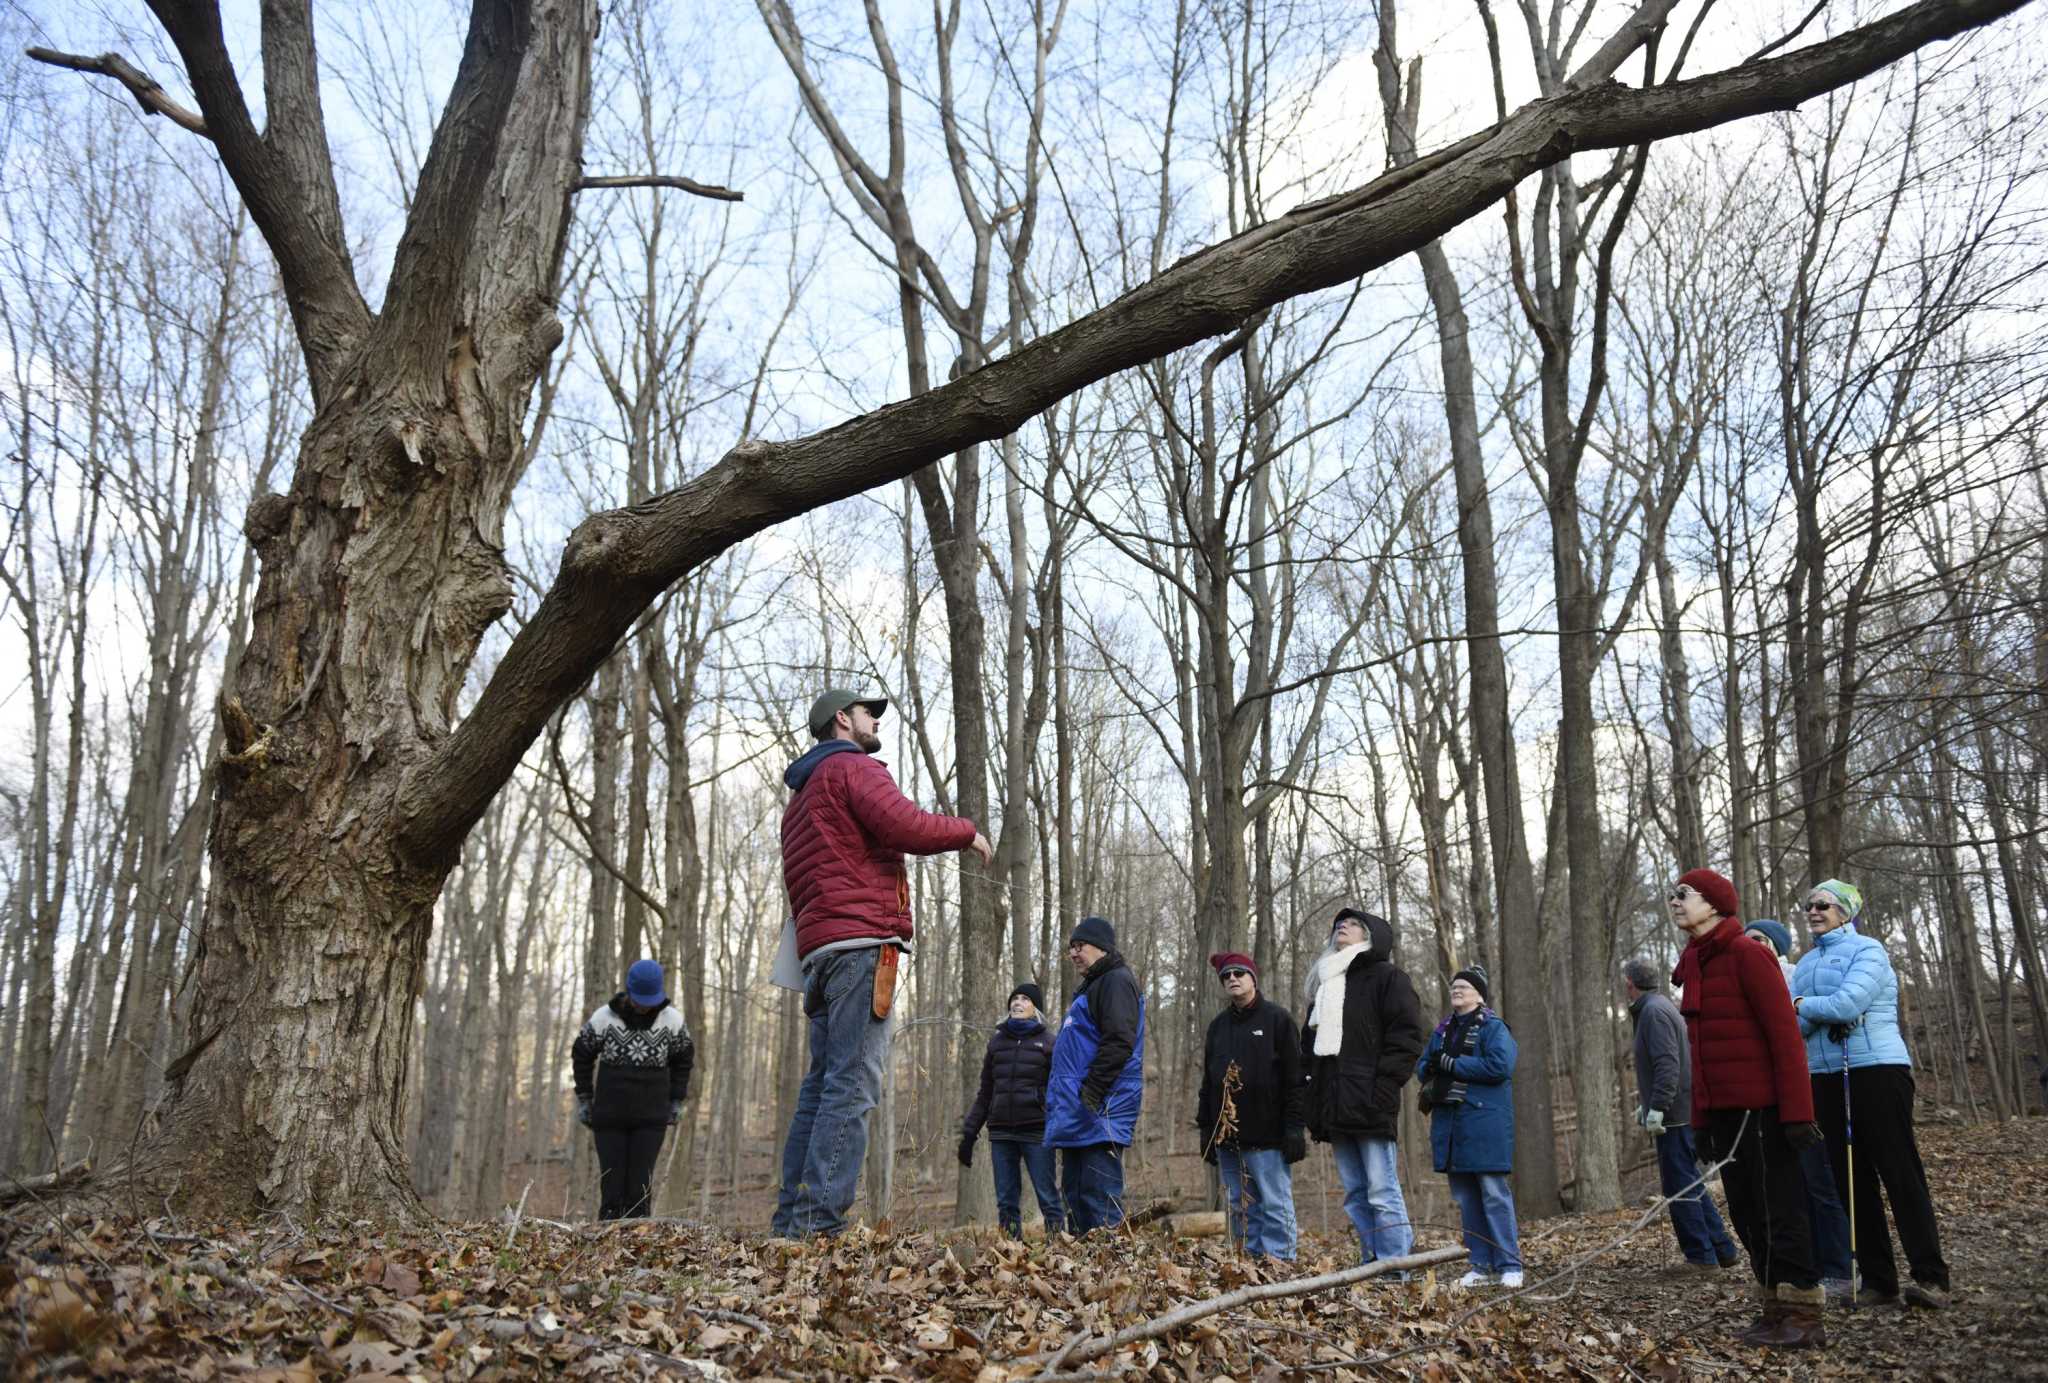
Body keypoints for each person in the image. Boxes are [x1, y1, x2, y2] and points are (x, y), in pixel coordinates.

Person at [774, 688, 993, 1238]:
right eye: (870, 713)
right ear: (843, 721)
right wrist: (966, 832)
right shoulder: (852, 768)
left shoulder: (800, 799)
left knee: (822, 1085)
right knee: (853, 1084)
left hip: (820, 954)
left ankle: (792, 1221)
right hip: (860, 947)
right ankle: (819, 1225)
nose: (876, 723)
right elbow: (906, 826)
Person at [1669, 868, 1827, 1350]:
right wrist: (1700, 1121)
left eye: (1684, 895)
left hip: (1764, 1112)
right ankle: (1773, 1308)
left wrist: (1798, 1113)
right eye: (1672, 895)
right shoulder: (1695, 962)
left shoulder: (1747, 954)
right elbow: (1700, 1052)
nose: (1675, 902)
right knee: (1746, 1213)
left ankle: (1804, 1313)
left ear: (1714, 904)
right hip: (1724, 1116)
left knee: (1781, 1211)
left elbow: (1786, 1039)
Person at [1791, 879, 1952, 1310]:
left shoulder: (1869, 951)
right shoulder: (1803, 963)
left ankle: (1931, 1277)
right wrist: (1813, 1008)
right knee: (1851, 1181)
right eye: (1809, 905)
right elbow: (1798, 1027)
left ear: (1845, 911)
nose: (1814, 911)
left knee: (1899, 1172)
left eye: (1823, 905)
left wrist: (1807, 1005)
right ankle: (1880, 1281)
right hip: (1824, 1075)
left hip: (1878, 1070)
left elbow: (1846, 1005)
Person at [1301, 908, 1424, 1269]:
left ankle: (1396, 1266)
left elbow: (1408, 1038)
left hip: (1371, 1101)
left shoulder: (1388, 978)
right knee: (1355, 1194)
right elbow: (1308, 1052)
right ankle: (1372, 1263)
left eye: (1354, 924)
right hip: (1335, 1105)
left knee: (1382, 1191)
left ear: (1372, 936)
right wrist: (1312, 1101)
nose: (1344, 926)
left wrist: (1385, 1088)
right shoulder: (1325, 986)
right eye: (1340, 924)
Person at [1745, 918, 1856, 1301]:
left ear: (1776, 945)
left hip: (1807, 1087)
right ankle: (1809, 1266)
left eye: (1760, 939)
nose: (1754, 945)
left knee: (1820, 1182)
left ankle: (1841, 1267)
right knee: (1794, 1186)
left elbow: (1801, 1023)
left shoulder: (1795, 978)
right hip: (1771, 1096)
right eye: (1748, 940)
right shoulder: (1750, 980)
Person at [1622, 956, 1740, 1273]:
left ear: (1629, 983)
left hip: (1675, 1116)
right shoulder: (1657, 1008)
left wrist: (1658, 1107)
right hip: (1678, 1110)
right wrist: (1647, 1103)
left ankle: (1701, 1257)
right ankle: (1722, 1249)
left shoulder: (1653, 1013)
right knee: (1689, 1183)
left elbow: (1668, 1065)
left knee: (1679, 1187)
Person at [1416, 965, 1522, 1289]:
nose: (1457, 990)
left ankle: (1510, 1265)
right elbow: (1423, 1066)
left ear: (1479, 994)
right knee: (1466, 1198)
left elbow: (1501, 1065)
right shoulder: (1443, 1030)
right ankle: (1481, 1265)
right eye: (1454, 986)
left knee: (1493, 1194)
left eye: (1464, 986)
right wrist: (1433, 1066)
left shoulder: (1493, 1028)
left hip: (1485, 1124)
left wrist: (1452, 1064)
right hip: (1451, 1126)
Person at [1196, 952, 1307, 1260]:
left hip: (1269, 1135)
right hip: (1227, 1140)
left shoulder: (1277, 1020)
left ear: (1253, 979)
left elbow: (1295, 1078)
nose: (1232, 979)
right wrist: (1207, 1128)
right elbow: (1209, 1082)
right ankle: (1249, 1262)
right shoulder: (1218, 1027)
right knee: (1241, 1205)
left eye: (1239, 974)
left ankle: (1281, 1264)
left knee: (1274, 1202)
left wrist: (1295, 1126)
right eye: (1226, 976)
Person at [1043, 915, 1146, 1234]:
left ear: (1101, 948)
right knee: (1074, 1196)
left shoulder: (1116, 980)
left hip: (1103, 1109)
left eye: (1080, 946)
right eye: (1071, 947)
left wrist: (1094, 1090)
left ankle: (1112, 1273)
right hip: (1079, 1111)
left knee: (1099, 1200)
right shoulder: (1089, 988)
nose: (1073, 953)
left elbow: (1120, 1040)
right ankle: (1081, 1271)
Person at [571, 958, 695, 1220]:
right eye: (640, 1000)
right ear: (628, 992)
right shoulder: (604, 1018)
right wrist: (584, 1097)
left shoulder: (671, 1020)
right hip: (609, 1116)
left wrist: (676, 1100)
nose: (644, 1007)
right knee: (612, 1187)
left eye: (649, 1001)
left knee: (640, 1187)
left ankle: (637, 1246)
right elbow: (581, 1053)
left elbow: (683, 1060)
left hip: (651, 1118)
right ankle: (606, 1247)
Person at [958, 983, 1064, 1239]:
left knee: (1048, 1197)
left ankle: (1060, 1250)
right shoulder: (996, 1043)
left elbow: (1060, 1091)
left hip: (1036, 1131)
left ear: (1035, 1008)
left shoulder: (1049, 1043)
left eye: (1025, 999)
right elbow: (985, 1093)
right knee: (1006, 1202)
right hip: (1002, 1133)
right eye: (1014, 998)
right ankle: (1011, 1251)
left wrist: (1060, 1127)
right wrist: (969, 1135)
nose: (1017, 1002)